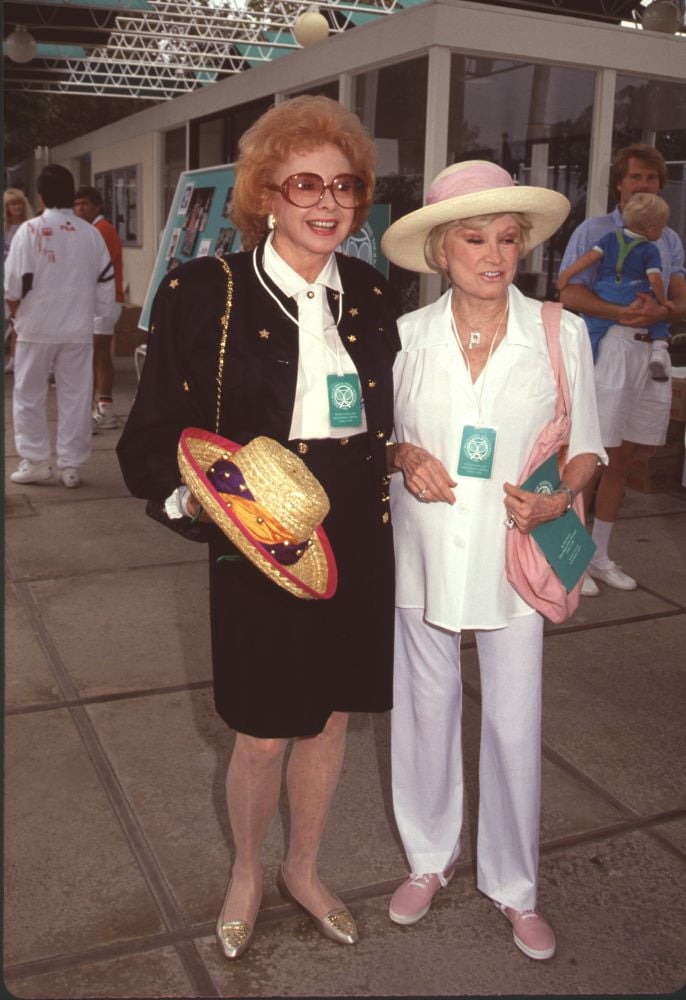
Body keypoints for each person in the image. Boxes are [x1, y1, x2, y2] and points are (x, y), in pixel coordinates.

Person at [117, 95, 400, 960]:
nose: (326, 202)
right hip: (257, 521)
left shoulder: (377, 294)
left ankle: (302, 868)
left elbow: (392, 414)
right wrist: (194, 500)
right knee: (265, 727)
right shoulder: (206, 291)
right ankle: (247, 867)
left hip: (353, 516)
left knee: (332, 719)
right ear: (266, 195)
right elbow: (153, 434)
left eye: (343, 185)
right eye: (303, 183)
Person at [379, 160, 606, 960]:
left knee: (513, 723)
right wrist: (404, 453)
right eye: (474, 238)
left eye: (508, 238)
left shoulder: (560, 332)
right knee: (425, 710)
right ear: (441, 251)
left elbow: (587, 451)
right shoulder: (404, 339)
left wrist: (557, 500)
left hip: (515, 556)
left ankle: (515, 886)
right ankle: (428, 859)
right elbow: (380, 438)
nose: (494, 254)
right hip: (424, 550)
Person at [559, 144, 686, 595]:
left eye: (651, 179)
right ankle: (567, 559)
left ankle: (599, 555)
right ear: (619, 183)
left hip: (647, 355)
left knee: (624, 461)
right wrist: (622, 313)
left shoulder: (667, 236)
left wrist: (664, 310)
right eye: (636, 178)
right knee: (589, 458)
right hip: (608, 351)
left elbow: (678, 296)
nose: (644, 185)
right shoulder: (595, 230)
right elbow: (569, 295)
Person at [5, 164, 115, 489]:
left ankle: (36, 461)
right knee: (76, 396)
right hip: (77, 329)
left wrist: (15, 317)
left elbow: (12, 283)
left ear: (39, 196)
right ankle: (71, 465)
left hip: (35, 328)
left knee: (28, 395)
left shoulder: (30, 230)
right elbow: (106, 282)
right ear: (72, 195)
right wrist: (99, 318)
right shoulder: (90, 233)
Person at [557, 192, 673, 380]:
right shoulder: (650, 250)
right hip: (635, 295)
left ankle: (587, 362)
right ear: (651, 230)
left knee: (592, 328)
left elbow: (588, 258)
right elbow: (655, 280)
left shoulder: (610, 238)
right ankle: (659, 351)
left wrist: (565, 276)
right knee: (656, 317)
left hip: (607, 293)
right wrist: (662, 302)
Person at [73, 185, 125, 429]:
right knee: (97, 354)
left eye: (84, 203)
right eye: (76, 204)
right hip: (101, 299)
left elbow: (90, 266)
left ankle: (102, 410)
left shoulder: (101, 229)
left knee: (98, 353)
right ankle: (101, 406)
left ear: (98, 206)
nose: (79, 208)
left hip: (105, 299)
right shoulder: (95, 229)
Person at [4, 187, 34, 374]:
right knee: (11, 321)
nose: (16, 207)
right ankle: (14, 359)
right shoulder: (5, 228)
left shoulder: (30, 226)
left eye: (19, 203)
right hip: (6, 277)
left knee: (20, 322)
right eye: (12, 204)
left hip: (25, 279)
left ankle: (20, 360)